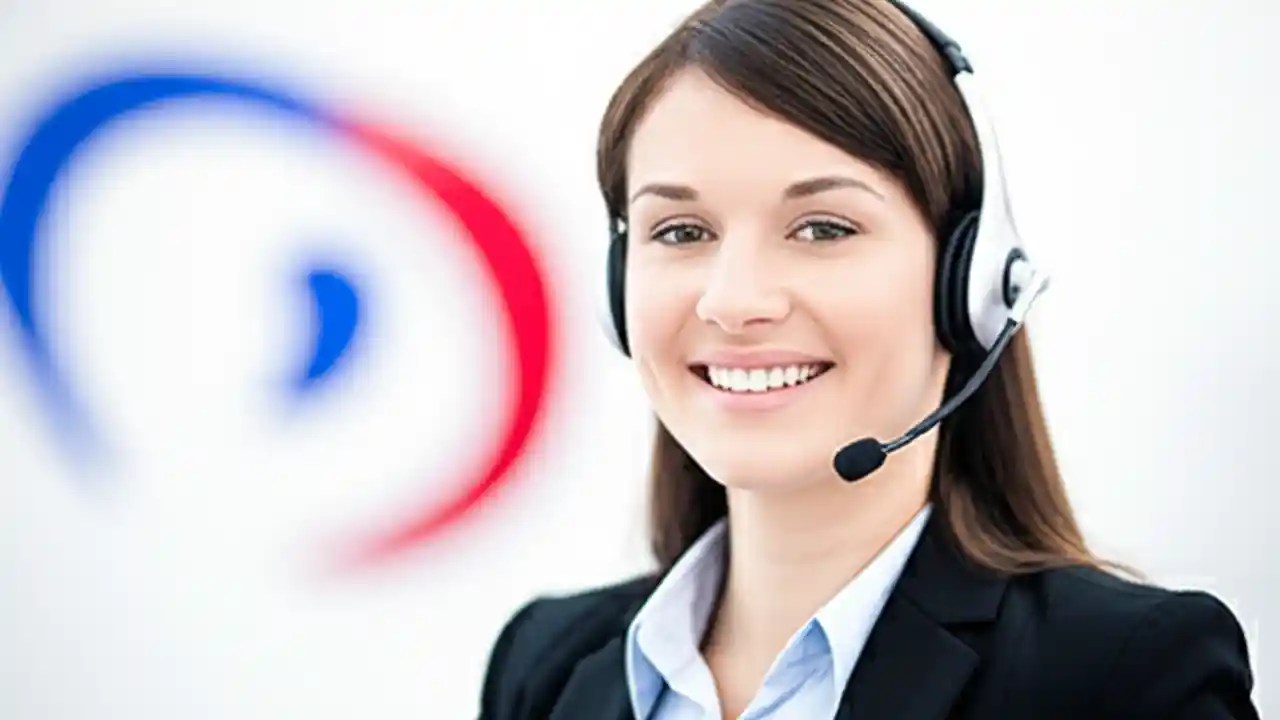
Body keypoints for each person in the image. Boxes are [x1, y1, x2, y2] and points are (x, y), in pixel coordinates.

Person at [479, 0, 1260, 718]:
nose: (733, 299)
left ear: (971, 282)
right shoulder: (545, 667)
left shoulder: (1124, 679)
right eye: (681, 231)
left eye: (822, 228)